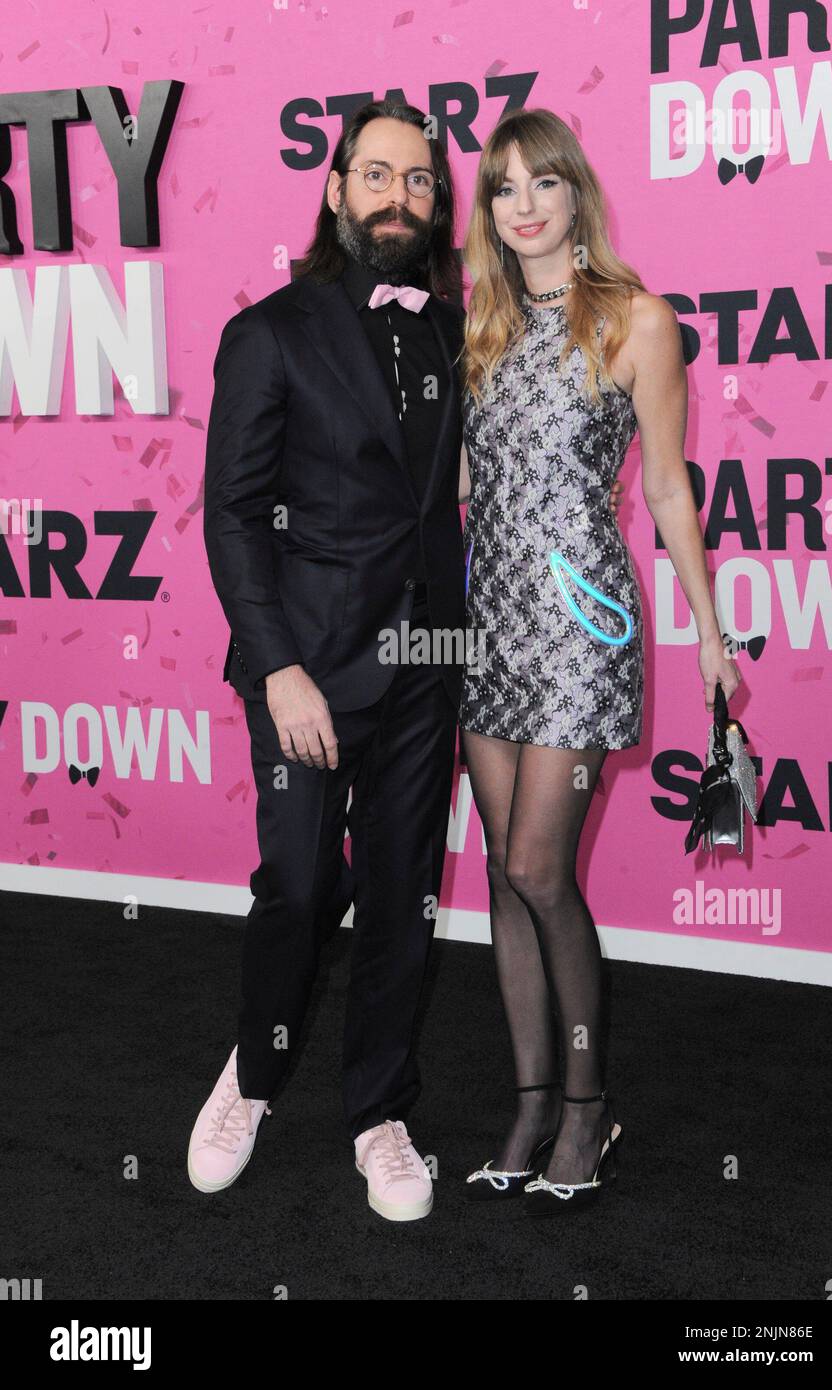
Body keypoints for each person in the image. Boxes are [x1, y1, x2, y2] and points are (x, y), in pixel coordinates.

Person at [192, 99, 622, 1221]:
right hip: (307, 670)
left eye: (421, 182)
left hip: (432, 665)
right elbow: (232, 513)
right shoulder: (269, 331)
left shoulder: (459, 331)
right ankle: (253, 1069)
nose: (399, 197)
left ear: (438, 205)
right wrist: (277, 665)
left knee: (402, 899)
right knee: (295, 884)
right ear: (335, 190)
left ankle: (380, 1110)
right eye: (377, 176)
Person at [457, 107, 741, 1216]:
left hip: (582, 627)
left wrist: (710, 636)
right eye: (501, 189)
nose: (521, 206)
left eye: (540, 184)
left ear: (576, 194)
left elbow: (667, 488)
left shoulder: (635, 320)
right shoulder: (475, 322)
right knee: (495, 875)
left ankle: (586, 1106)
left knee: (537, 868)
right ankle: (529, 1104)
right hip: (489, 624)